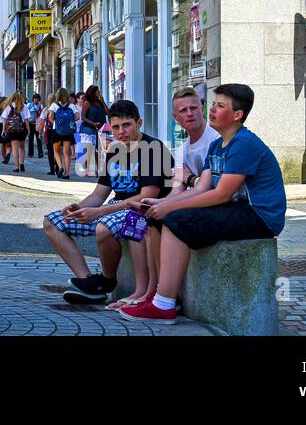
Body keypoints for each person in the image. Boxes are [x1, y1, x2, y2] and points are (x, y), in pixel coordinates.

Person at [120, 84, 286, 324]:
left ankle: (164, 304)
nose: (212, 110)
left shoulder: (244, 143)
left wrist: (171, 208)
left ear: (237, 115)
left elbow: (221, 195)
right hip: (238, 210)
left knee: (176, 219)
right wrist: (159, 203)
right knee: (161, 217)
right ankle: (159, 295)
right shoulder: (218, 145)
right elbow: (200, 187)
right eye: (213, 104)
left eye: (220, 106)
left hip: (259, 216)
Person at [40, 100, 171, 306]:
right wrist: (79, 207)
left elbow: (145, 197)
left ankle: (106, 281)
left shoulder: (153, 149)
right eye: (116, 127)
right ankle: (88, 282)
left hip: (141, 209)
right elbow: (99, 194)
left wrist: (98, 213)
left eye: (127, 125)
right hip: (116, 205)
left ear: (139, 123)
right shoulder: (114, 151)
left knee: (104, 227)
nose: (121, 132)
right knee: (52, 222)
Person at [111, 86, 218, 311]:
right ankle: (144, 289)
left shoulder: (215, 141)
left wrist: (172, 200)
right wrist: (157, 203)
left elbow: (205, 187)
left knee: (158, 220)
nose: (189, 113)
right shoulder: (182, 149)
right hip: (195, 199)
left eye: (193, 108)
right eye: (183, 110)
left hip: (216, 203)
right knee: (139, 216)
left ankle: (160, 292)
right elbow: (177, 189)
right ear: (175, 117)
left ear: (202, 109)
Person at [79, 87, 108, 176]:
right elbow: (83, 117)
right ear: (93, 93)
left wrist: (102, 101)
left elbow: (107, 112)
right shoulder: (87, 103)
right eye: (97, 91)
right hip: (89, 128)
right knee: (89, 149)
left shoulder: (99, 102)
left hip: (100, 128)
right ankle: (86, 166)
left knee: (99, 150)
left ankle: (98, 169)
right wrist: (93, 123)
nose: (99, 93)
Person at [50, 90, 78, 180]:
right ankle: (66, 173)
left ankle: (60, 166)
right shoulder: (72, 106)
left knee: (56, 151)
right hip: (68, 132)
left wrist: (55, 123)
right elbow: (78, 116)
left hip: (57, 131)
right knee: (67, 153)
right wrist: (70, 122)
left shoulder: (54, 105)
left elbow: (50, 116)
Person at [1, 92, 28, 172]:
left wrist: (3, 130)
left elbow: (5, 120)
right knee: (22, 147)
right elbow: (26, 120)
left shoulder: (8, 106)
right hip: (21, 129)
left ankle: (16, 167)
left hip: (12, 130)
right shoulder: (24, 106)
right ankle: (22, 163)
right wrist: (29, 130)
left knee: (15, 149)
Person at [26, 92, 44, 160]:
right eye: (35, 98)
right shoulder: (29, 105)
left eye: (37, 99)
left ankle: (40, 153)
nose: (36, 100)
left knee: (39, 138)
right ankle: (30, 153)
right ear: (33, 99)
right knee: (30, 139)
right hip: (31, 124)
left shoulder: (40, 106)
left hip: (38, 124)